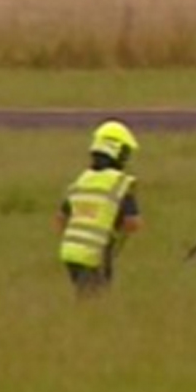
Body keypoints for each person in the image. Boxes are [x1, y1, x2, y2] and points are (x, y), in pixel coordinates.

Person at [56, 120, 143, 298]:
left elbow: (60, 218)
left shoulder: (83, 179)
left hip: (70, 251)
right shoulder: (119, 182)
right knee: (96, 301)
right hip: (96, 253)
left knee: (84, 295)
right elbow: (133, 223)